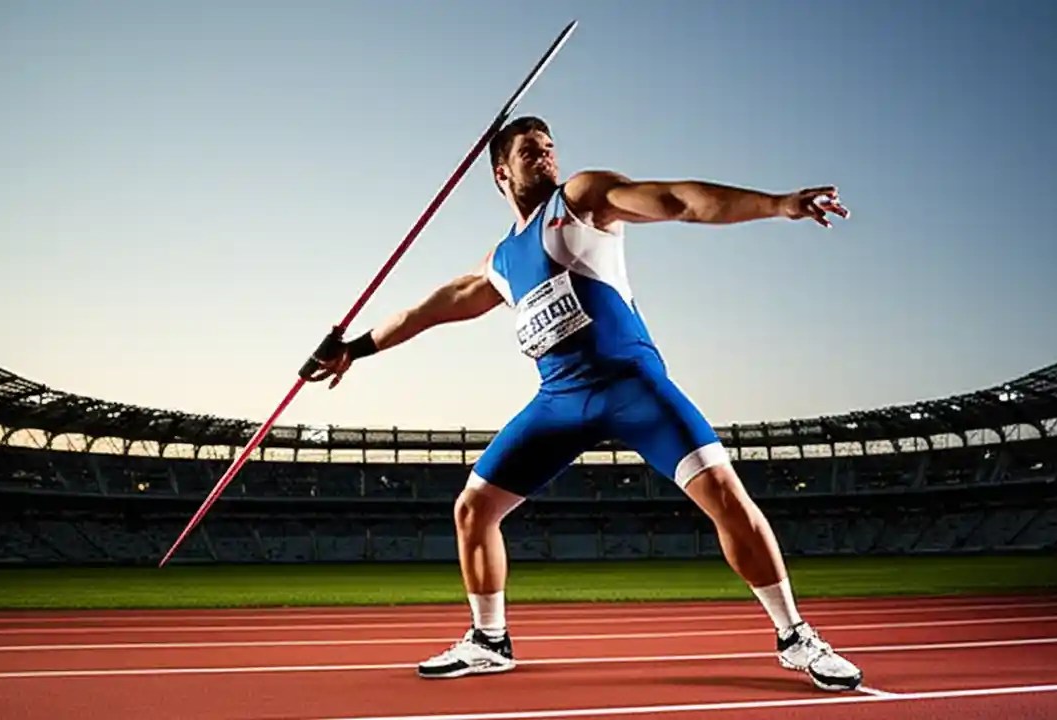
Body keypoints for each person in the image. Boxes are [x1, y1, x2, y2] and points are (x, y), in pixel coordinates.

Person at [308, 116, 862, 692]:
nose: (547, 158)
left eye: (550, 148)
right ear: (502, 172)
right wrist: (356, 348)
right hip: (560, 400)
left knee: (724, 495)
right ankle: (489, 640)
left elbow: (680, 201)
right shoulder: (500, 262)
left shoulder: (581, 199)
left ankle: (795, 637)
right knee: (473, 509)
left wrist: (777, 204)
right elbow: (431, 308)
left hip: (633, 386)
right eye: (531, 152)